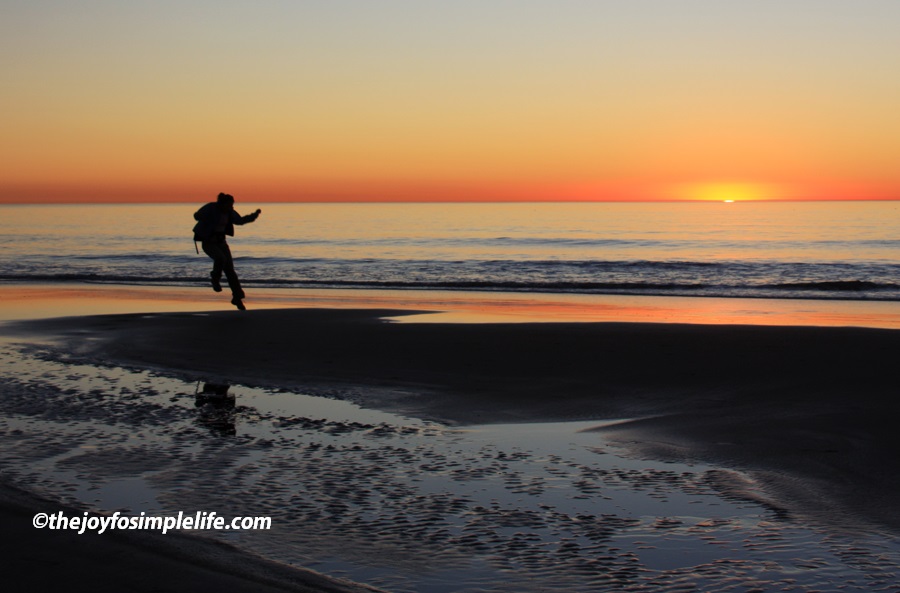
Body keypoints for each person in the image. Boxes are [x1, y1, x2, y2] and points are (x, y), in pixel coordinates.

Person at [193, 193, 261, 310]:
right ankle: (215, 278)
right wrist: (205, 218)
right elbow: (197, 216)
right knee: (220, 259)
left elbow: (240, 221)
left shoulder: (229, 212)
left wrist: (254, 215)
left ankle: (237, 298)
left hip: (222, 243)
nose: (231, 207)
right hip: (208, 243)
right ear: (222, 203)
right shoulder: (211, 208)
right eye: (229, 204)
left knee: (230, 271)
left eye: (232, 204)